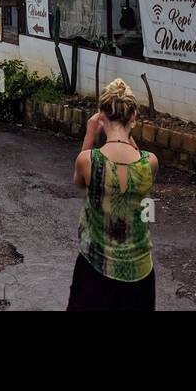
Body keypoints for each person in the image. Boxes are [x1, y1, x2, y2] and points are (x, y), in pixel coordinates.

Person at [67, 77, 159, 311]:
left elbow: (78, 183)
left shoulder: (89, 161)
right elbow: (134, 157)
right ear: (134, 117)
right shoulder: (150, 162)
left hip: (96, 268)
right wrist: (126, 133)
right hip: (140, 271)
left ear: (100, 116)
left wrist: (89, 135)